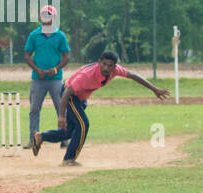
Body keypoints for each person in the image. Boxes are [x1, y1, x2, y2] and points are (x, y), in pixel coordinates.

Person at [32, 50, 170, 165]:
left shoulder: (116, 71)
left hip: (80, 98)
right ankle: (69, 159)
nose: (106, 68)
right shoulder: (87, 75)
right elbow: (67, 92)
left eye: (110, 66)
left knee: (68, 132)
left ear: (114, 67)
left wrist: (154, 89)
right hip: (69, 96)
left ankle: (40, 137)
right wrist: (61, 116)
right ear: (99, 62)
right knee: (83, 124)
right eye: (104, 64)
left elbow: (133, 76)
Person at [23, 4, 70, 146]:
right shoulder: (34, 35)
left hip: (56, 79)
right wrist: (36, 69)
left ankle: (64, 138)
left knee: (61, 108)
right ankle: (33, 139)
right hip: (38, 79)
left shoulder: (60, 35)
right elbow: (27, 54)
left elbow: (66, 56)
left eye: (49, 15)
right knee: (34, 109)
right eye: (43, 15)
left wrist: (55, 69)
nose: (46, 17)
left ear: (54, 17)